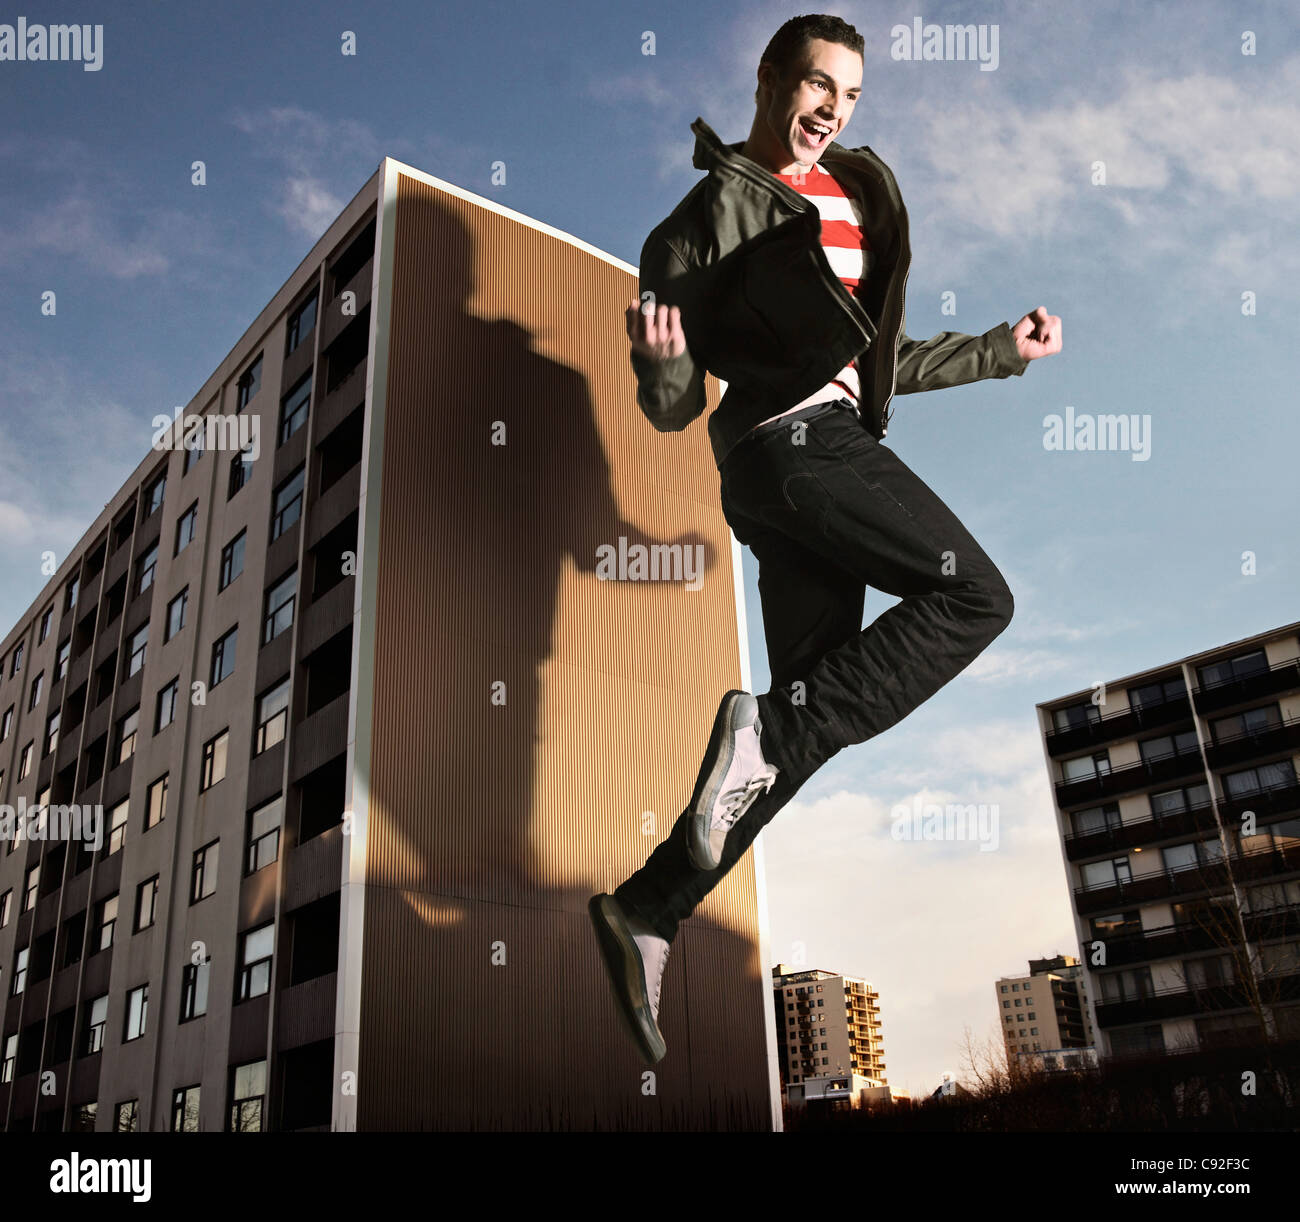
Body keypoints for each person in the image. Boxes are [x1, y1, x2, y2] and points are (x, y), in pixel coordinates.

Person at [589, 13, 1062, 1065]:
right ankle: (760, 734)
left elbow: (878, 360)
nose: (830, 110)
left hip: (791, 472)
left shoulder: (848, 197)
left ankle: (649, 908)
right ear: (768, 79)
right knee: (975, 598)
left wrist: (999, 350)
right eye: (815, 84)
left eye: (849, 96)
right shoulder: (702, 219)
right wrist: (661, 358)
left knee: (801, 734)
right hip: (791, 446)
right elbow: (671, 405)